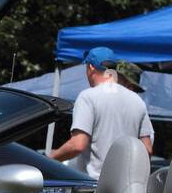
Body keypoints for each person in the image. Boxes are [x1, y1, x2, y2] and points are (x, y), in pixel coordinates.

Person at [49, 47, 153, 178]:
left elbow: (77, 145)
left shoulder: (88, 97)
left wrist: (49, 160)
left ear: (91, 68)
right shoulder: (137, 101)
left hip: (94, 188)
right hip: (127, 188)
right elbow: (147, 149)